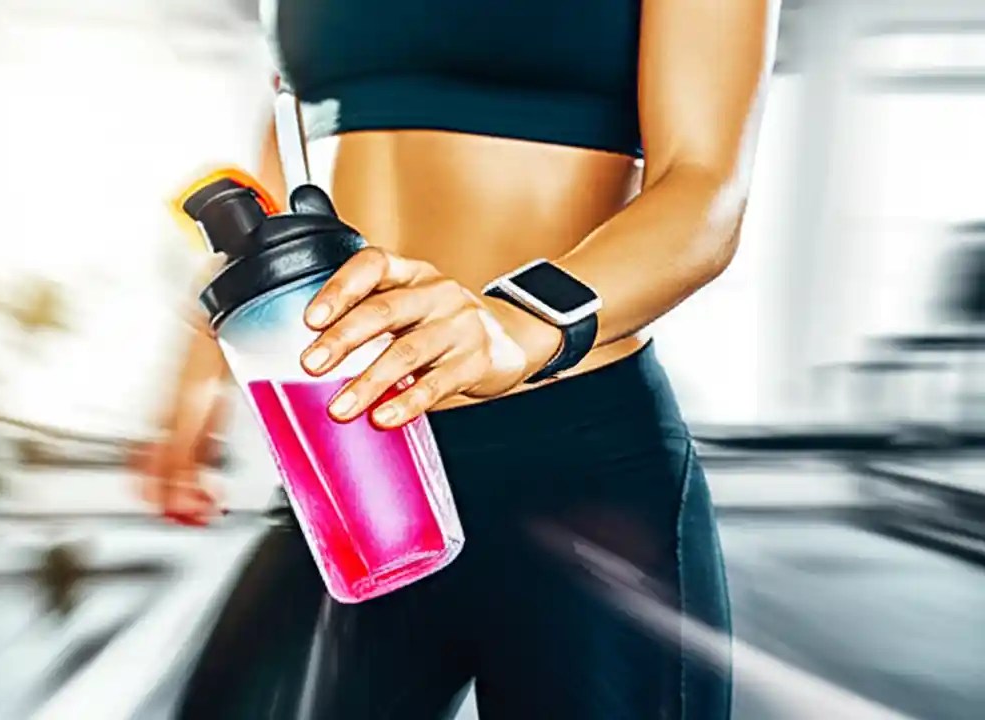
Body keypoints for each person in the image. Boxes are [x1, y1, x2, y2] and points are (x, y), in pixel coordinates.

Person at [146, 0, 779, 717]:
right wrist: (203, 363)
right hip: (357, 464)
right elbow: (298, 122)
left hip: (578, 461)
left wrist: (513, 324)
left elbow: (703, 191)